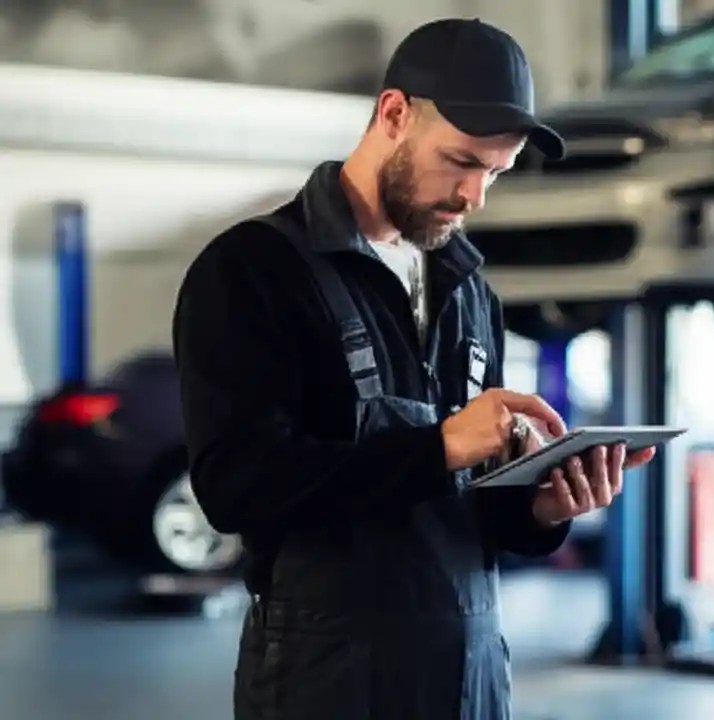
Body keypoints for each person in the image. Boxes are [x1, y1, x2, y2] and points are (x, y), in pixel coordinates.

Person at [172, 17, 656, 720]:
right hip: (327, 682)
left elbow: (467, 509)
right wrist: (442, 445)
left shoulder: (471, 294)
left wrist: (541, 509)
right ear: (393, 113)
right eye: (460, 162)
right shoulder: (252, 271)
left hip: (471, 677)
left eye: (495, 173)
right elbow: (237, 486)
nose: (474, 197)